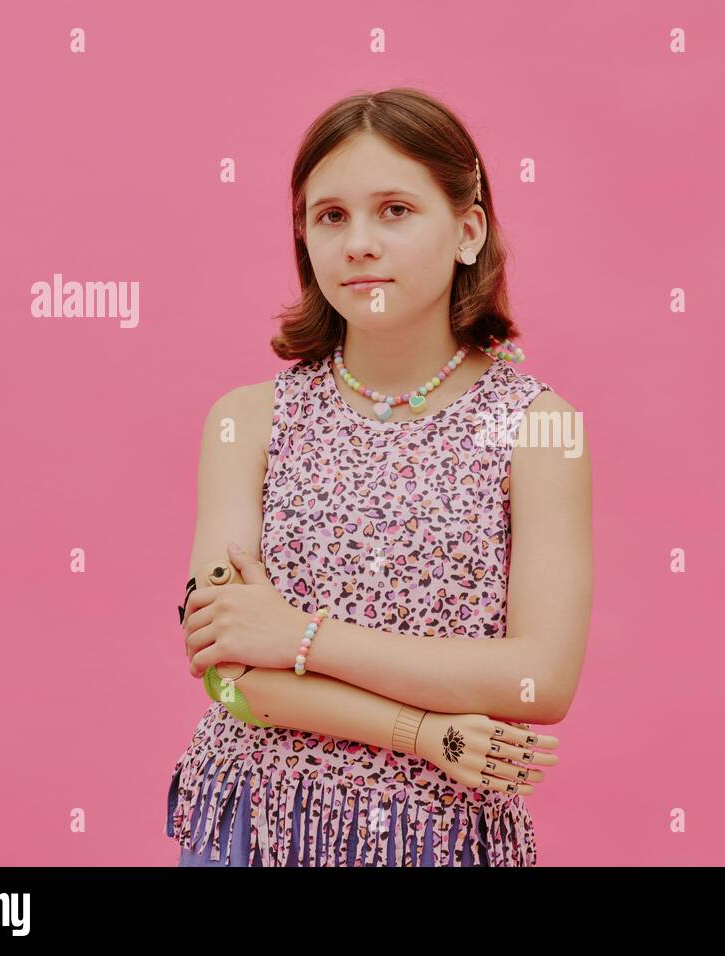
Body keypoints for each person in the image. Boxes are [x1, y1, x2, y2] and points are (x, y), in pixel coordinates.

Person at [166, 88, 594, 867]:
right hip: (255, 825)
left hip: (438, 833)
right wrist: (424, 731)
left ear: (468, 231)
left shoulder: (539, 427)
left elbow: (538, 677)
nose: (359, 243)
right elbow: (229, 678)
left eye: (395, 210)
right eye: (331, 216)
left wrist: (296, 637)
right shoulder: (247, 422)